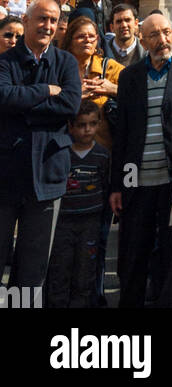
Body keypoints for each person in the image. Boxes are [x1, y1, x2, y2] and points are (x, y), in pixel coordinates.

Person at [109, 12, 172, 308]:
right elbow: (122, 132)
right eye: (154, 35)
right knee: (134, 253)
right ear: (142, 39)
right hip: (137, 180)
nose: (162, 40)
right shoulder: (130, 76)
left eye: (165, 32)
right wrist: (117, 186)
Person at [0, 0, 81, 289]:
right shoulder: (5, 62)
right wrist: (45, 90)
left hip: (47, 175)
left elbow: (70, 104)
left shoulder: (66, 62)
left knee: (32, 269)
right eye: (41, 19)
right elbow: (3, 97)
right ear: (26, 20)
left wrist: (22, 104)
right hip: (6, 174)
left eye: (53, 20)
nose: (47, 26)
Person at [44, 103, 110, 308]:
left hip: (90, 222)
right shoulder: (62, 153)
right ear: (70, 126)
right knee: (59, 271)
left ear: (99, 124)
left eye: (92, 124)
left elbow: (107, 186)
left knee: (85, 273)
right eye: (81, 125)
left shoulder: (102, 155)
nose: (87, 130)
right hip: (63, 221)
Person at [64, 14, 124, 147]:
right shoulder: (59, 69)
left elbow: (138, 94)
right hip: (67, 150)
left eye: (91, 36)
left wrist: (113, 89)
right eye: (81, 36)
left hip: (104, 151)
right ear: (70, 40)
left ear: (97, 39)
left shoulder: (110, 68)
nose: (87, 40)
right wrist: (74, 96)